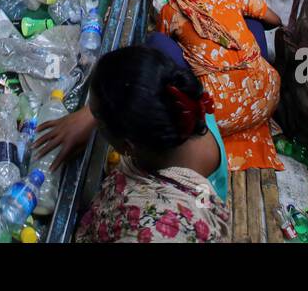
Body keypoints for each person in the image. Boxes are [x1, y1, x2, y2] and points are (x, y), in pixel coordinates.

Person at [72, 46, 231, 243]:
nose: (92, 120)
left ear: (127, 147)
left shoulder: (153, 227)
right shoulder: (186, 107)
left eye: (96, 117)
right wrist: (91, 114)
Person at [150, 0, 283, 172]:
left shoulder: (171, 10)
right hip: (267, 98)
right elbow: (275, 20)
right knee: (254, 22)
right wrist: (232, 23)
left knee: (157, 41)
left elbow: (162, 45)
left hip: (216, 115)